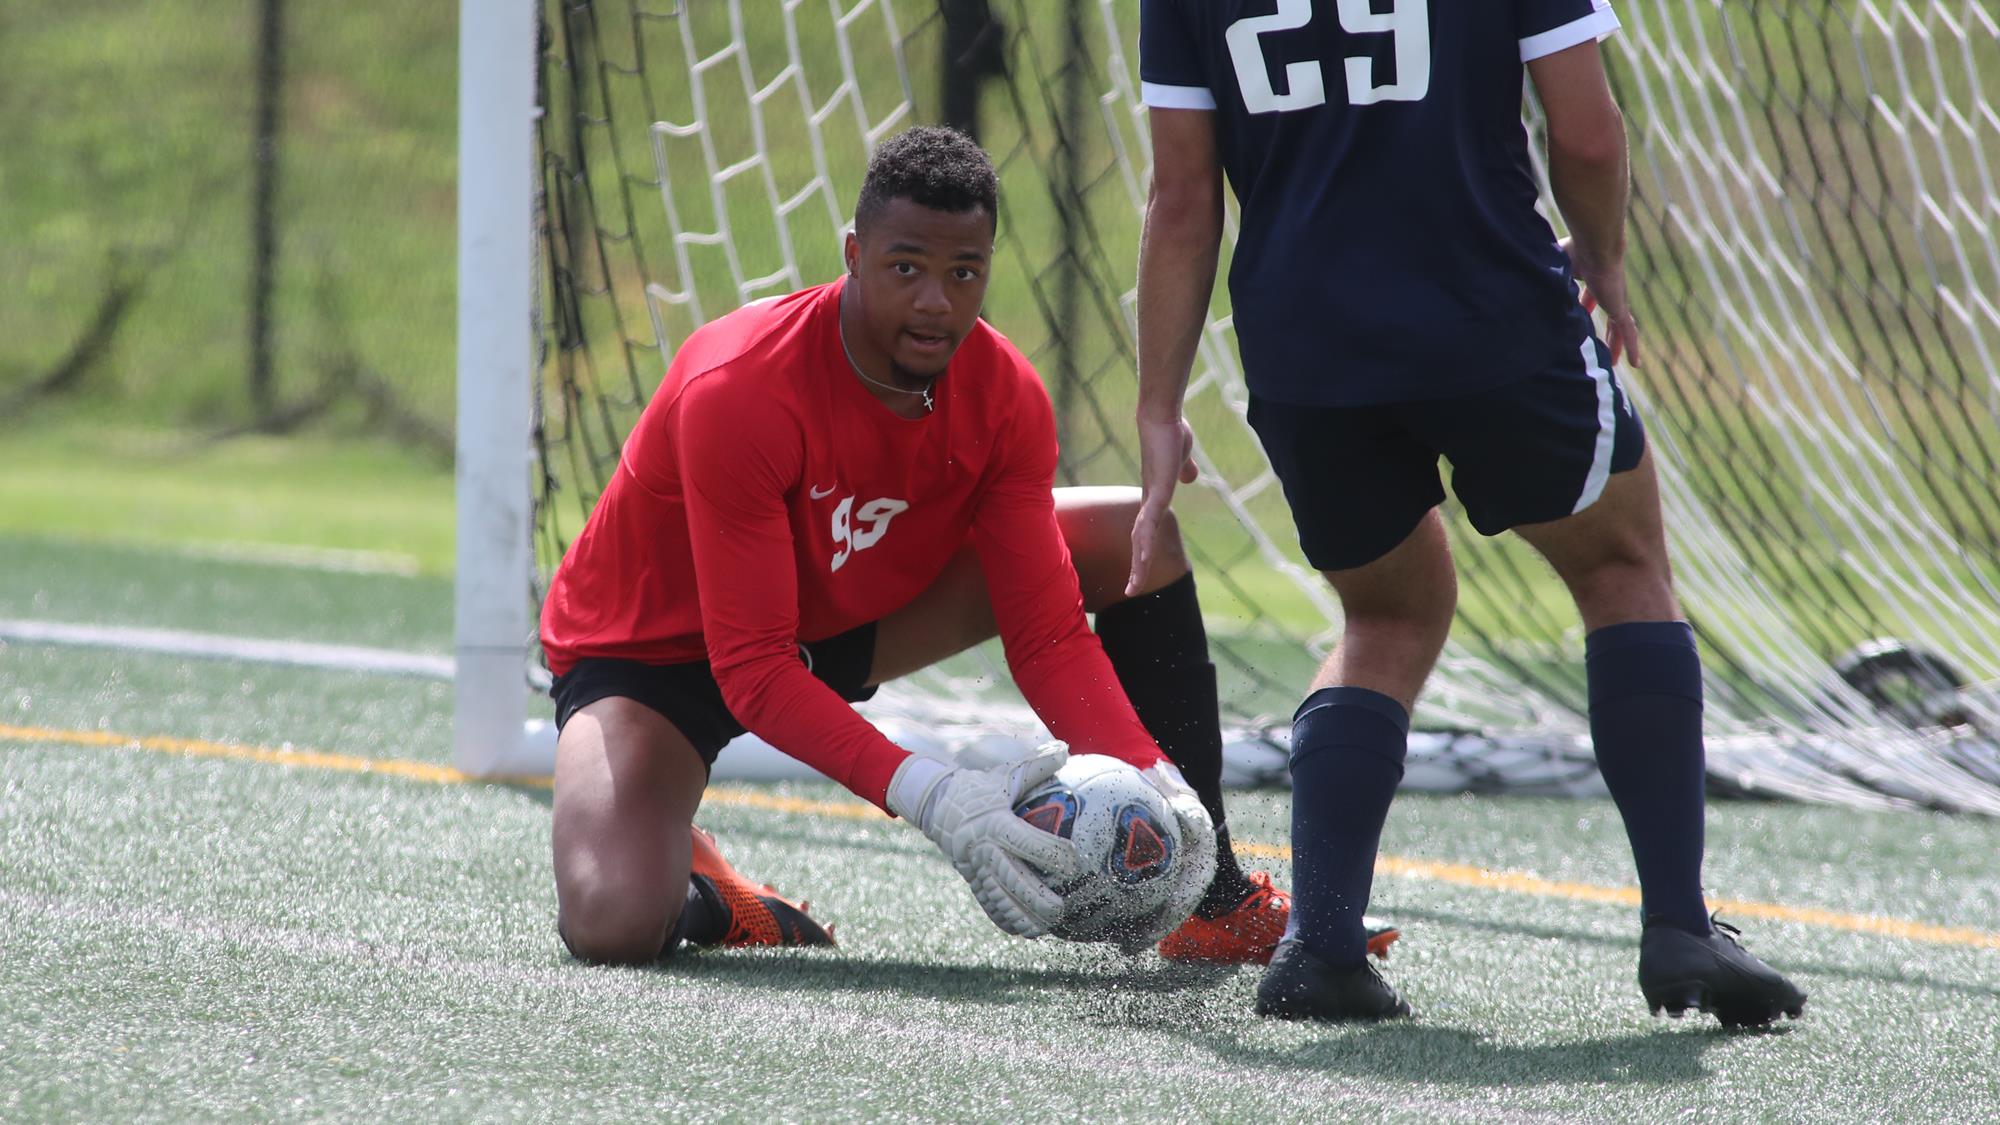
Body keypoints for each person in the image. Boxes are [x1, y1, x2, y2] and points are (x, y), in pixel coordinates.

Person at [538, 125, 1397, 968]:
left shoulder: (1006, 397)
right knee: (613, 922)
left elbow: (1048, 632)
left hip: (842, 615)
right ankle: (710, 892)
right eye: (905, 267)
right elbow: (753, 668)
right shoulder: (738, 388)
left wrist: (1156, 781)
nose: (934, 303)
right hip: (657, 657)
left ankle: (1209, 896)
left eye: (964, 272)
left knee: (1135, 532)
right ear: (852, 254)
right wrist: (938, 797)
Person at [1130, 0, 1807, 1026]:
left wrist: (1157, 404)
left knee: (1384, 617)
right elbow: (1583, 127)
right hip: (1488, 315)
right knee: (1620, 569)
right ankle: (1676, 920)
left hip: (1306, 349)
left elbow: (1182, 194)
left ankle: (1320, 945)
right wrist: (1603, 258)